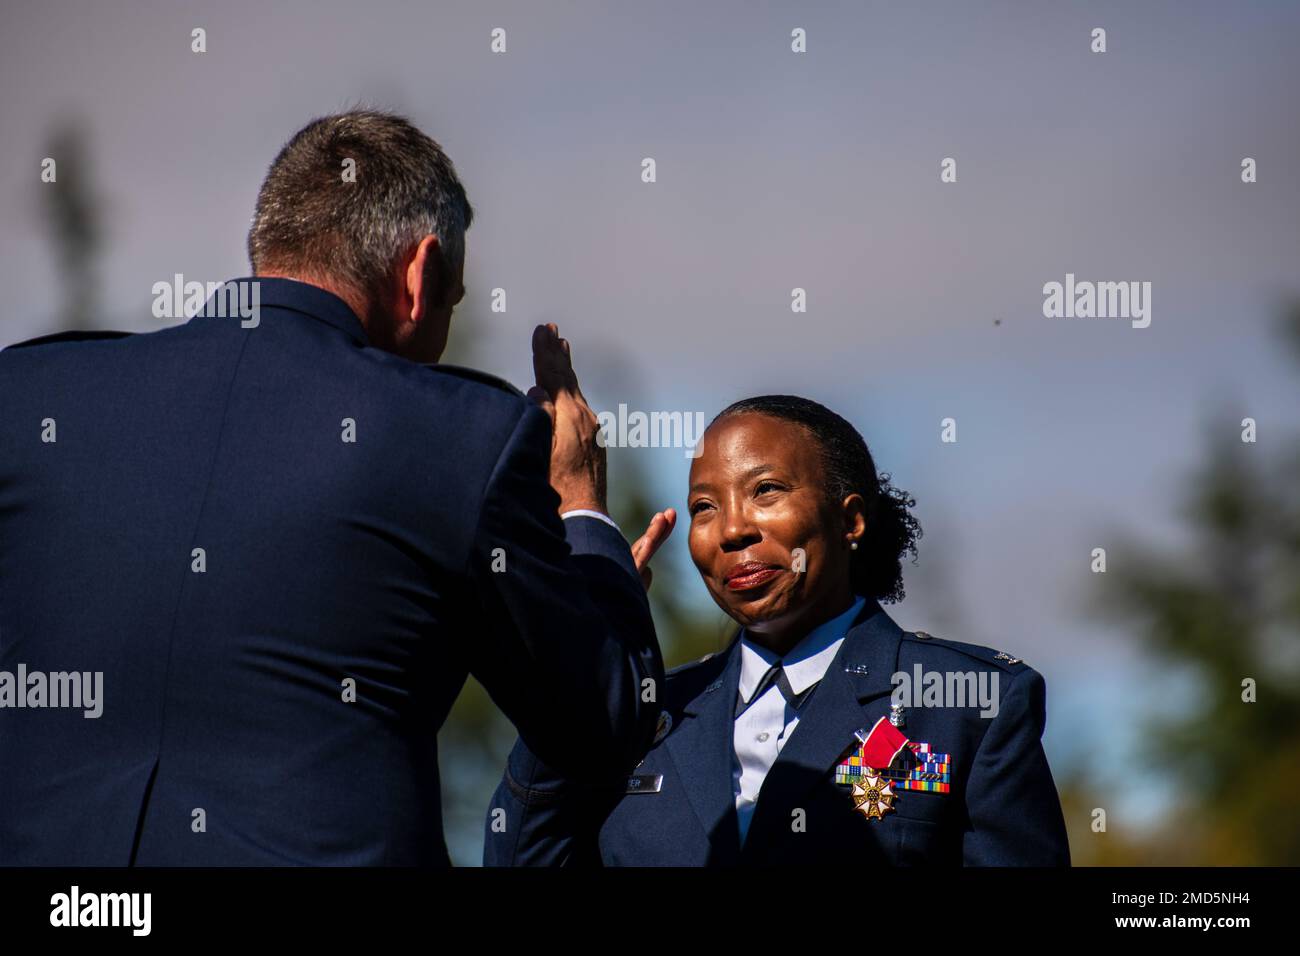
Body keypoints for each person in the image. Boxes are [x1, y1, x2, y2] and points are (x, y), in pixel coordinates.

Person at [0, 110, 663, 865]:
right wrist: (580, 512)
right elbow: (605, 722)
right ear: (422, 273)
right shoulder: (465, 436)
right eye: (456, 296)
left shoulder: (28, 396)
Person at [485, 395, 1071, 865]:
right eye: (704, 508)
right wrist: (582, 662)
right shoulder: (643, 714)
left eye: (766, 490)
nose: (731, 529)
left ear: (849, 520)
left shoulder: (970, 706)